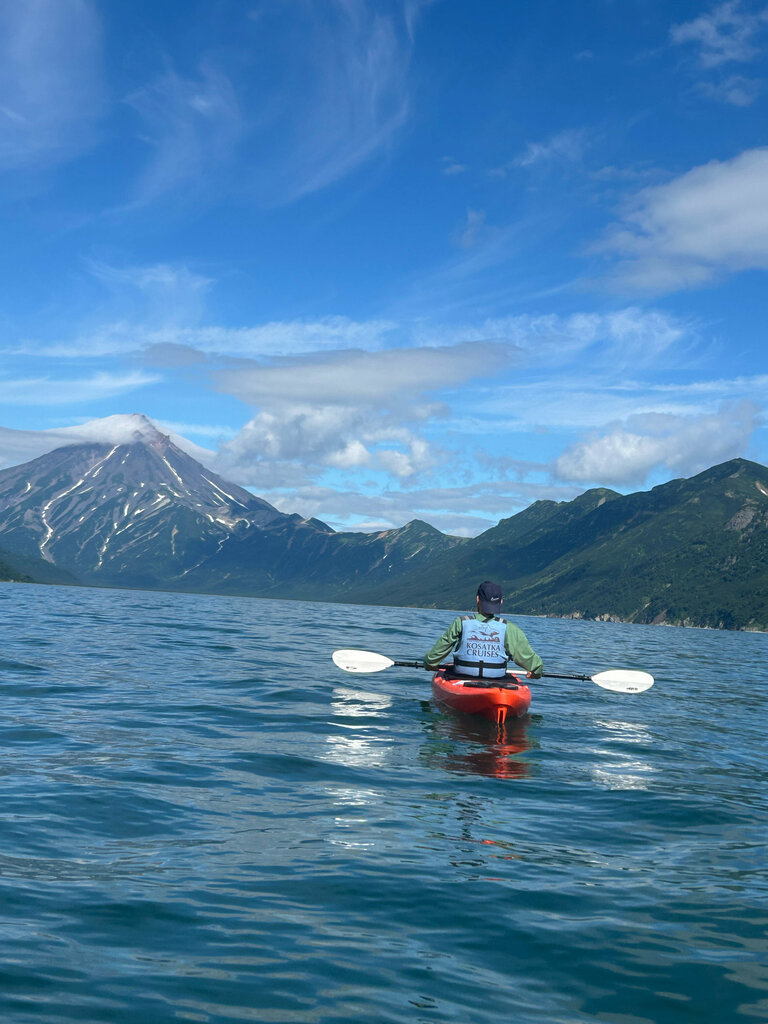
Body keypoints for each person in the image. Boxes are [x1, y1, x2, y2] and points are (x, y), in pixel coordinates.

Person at [423, 580, 543, 680]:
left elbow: (436, 654)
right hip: (497, 681)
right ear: (500, 602)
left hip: (462, 678)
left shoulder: (461, 622)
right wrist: (536, 672)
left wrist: (429, 664)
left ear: (477, 599)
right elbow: (533, 663)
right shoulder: (510, 628)